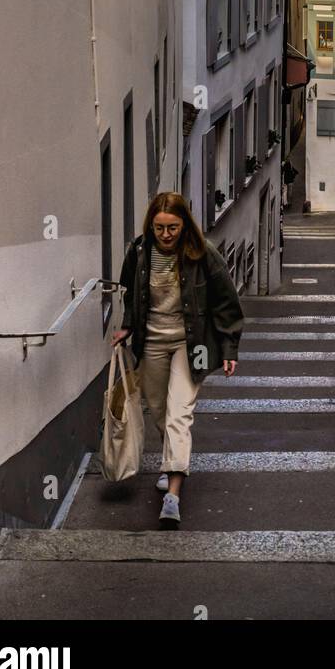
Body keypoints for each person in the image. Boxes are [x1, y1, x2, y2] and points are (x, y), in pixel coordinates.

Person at [112, 192, 244, 529]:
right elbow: (130, 291)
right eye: (160, 228)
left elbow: (226, 303)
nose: (166, 234)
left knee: (179, 413)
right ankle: (172, 463)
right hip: (152, 342)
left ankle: (172, 495)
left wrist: (229, 349)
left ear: (184, 224)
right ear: (151, 225)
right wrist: (128, 325)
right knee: (158, 408)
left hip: (193, 343)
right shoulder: (139, 251)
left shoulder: (203, 254)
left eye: (172, 227)